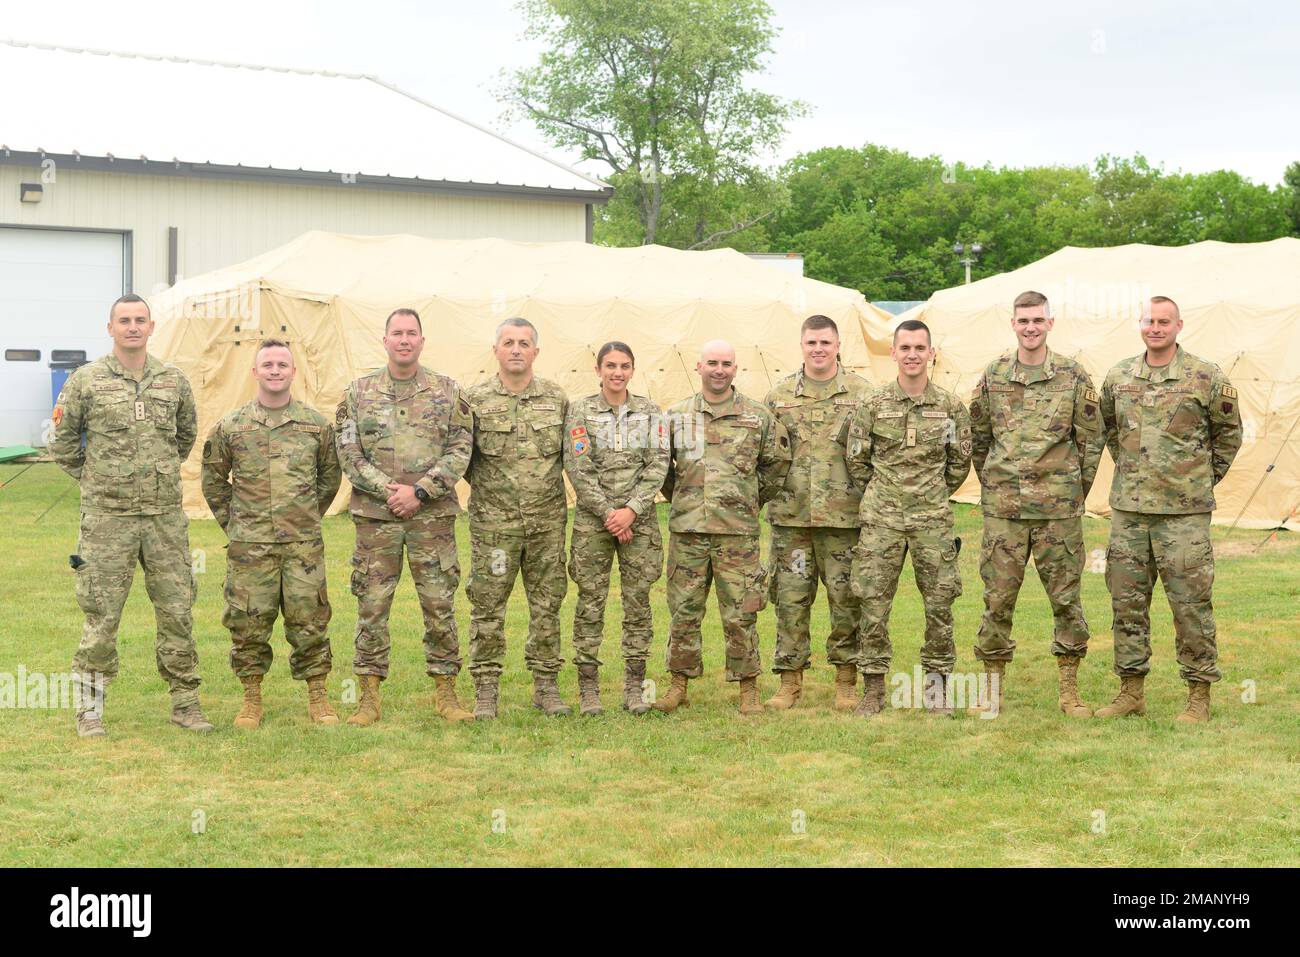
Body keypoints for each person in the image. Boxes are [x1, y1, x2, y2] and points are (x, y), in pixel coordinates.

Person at [51, 293, 213, 736]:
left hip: (163, 519)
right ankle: (89, 709)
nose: (133, 327)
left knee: (178, 610)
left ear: (151, 327)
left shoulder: (172, 381)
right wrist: (98, 480)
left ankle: (185, 703)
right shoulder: (86, 381)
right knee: (101, 612)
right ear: (110, 328)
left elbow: (185, 435)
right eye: (124, 320)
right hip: (107, 521)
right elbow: (62, 441)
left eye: (140, 320)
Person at [1096, 296, 1242, 723]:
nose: (1155, 328)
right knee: (1126, 603)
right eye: (1149, 321)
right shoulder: (1120, 375)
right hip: (1129, 512)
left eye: (1164, 322)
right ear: (1139, 324)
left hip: (1184, 516)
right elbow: (1108, 428)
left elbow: (1229, 434)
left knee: (1190, 605)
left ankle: (1198, 695)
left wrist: (1197, 480)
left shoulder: (1205, 376)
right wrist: (1132, 472)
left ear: (1179, 325)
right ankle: (1131, 691)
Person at [335, 308, 475, 726]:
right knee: (372, 606)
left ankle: (446, 694)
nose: (404, 340)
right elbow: (348, 452)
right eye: (396, 333)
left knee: (439, 604)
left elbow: (461, 449)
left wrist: (420, 491)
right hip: (377, 521)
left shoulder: (447, 391)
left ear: (422, 341)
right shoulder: (358, 393)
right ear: (385, 341)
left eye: (411, 333)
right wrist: (389, 491)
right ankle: (368, 697)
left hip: (431, 520)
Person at [966, 291, 1103, 717]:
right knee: (997, 599)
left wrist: (1071, 489)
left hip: (1057, 513)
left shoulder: (1073, 376)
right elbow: (979, 436)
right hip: (1005, 513)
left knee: (1066, 600)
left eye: (1037, 320)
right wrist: (995, 481)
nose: (1030, 327)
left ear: (1050, 323)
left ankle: (1069, 691)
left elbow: (1091, 439)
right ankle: (991, 692)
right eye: (1023, 320)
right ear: (1013, 324)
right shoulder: (993, 375)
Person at [202, 338, 342, 728]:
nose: (275, 370)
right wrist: (237, 524)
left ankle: (318, 696)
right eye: (268, 365)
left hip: (302, 546)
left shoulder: (316, 426)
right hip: (251, 548)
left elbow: (330, 478)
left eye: (283, 364)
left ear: (293, 372)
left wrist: (306, 517)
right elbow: (213, 479)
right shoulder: (233, 426)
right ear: (255, 372)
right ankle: (251, 699)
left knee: (310, 620)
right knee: (248, 622)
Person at [654, 340, 791, 715]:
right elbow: (663, 470)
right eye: (712, 362)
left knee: (742, 612)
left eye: (726, 363)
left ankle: (748, 689)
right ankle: (678, 685)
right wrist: (685, 498)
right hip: (689, 532)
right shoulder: (676, 416)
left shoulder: (757, 416)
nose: (719, 369)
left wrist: (745, 498)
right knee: (684, 611)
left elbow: (776, 466)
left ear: (736, 368)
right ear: (698, 367)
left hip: (738, 533)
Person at [846, 319, 971, 718]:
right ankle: (874, 688)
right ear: (893, 353)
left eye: (920, 348)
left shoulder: (950, 407)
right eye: (906, 348)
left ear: (931, 353)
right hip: (881, 521)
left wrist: (928, 495)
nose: (913, 354)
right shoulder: (872, 404)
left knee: (939, 604)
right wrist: (887, 496)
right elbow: (857, 460)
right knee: (872, 603)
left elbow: (959, 463)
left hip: (932, 522)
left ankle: (936, 688)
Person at [463, 317, 572, 719]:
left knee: (547, 605)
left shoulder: (556, 400)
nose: (515, 349)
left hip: (546, 526)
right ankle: (486, 689)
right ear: (495, 350)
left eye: (524, 343)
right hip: (495, 530)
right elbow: (462, 458)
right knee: (488, 605)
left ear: (535, 352)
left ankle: (546, 686)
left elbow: (570, 457)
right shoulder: (474, 400)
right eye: (507, 342)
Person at [763, 315, 873, 712]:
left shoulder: (862, 394)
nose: (819, 349)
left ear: (838, 344)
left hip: (844, 521)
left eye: (825, 342)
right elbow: (765, 455)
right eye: (812, 342)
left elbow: (873, 455)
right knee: (790, 601)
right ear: (802, 345)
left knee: (846, 601)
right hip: (792, 520)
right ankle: (790, 682)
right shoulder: (778, 397)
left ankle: (846, 679)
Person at [563, 342, 669, 715]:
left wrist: (631, 511)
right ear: (598, 369)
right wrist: (610, 513)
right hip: (594, 522)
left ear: (633, 370)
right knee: (590, 602)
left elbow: (658, 464)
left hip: (639, 523)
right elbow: (577, 466)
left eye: (624, 366)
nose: (617, 372)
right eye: (610, 365)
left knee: (638, 603)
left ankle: (636, 686)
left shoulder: (650, 412)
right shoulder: (580, 412)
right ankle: (589, 688)